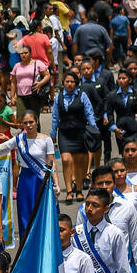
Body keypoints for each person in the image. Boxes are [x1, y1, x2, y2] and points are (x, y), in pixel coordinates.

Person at [52, 68, 98, 203]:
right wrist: (53, 133)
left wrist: (94, 129)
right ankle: (69, 191)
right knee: (66, 160)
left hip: (80, 132)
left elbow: (89, 113)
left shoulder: (82, 95)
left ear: (76, 83)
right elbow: (55, 116)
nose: (70, 84)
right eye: (67, 81)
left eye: (72, 81)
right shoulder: (58, 97)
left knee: (79, 163)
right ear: (63, 82)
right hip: (64, 133)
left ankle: (78, 190)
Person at [11, 112, 56, 239]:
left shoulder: (46, 139)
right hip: (25, 180)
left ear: (37, 122)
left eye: (31, 122)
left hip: (42, 179)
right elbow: (1, 149)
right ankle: (26, 247)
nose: (29, 125)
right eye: (25, 123)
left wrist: (56, 184)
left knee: (43, 213)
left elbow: (52, 163)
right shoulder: (19, 139)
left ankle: (44, 243)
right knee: (25, 213)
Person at [9, 41, 52, 117]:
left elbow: (47, 75)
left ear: (30, 53)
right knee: (21, 119)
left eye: (26, 53)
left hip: (33, 95)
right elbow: (13, 82)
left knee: (34, 118)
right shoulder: (17, 66)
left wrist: (40, 83)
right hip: (20, 96)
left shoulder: (37, 63)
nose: (23, 55)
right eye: (21, 54)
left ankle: (36, 129)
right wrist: (12, 97)